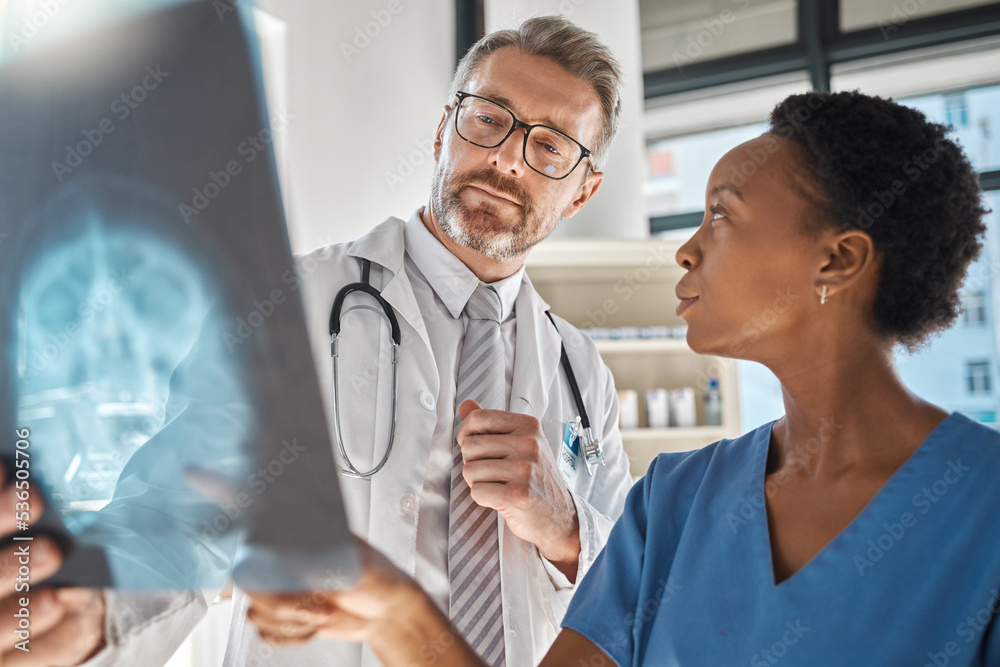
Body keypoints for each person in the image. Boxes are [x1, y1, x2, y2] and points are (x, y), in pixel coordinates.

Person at [0, 14, 634, 667]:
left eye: (550, 145)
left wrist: (567, 528)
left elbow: (636, 583)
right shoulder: (289, 300)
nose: (505, 157)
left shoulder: (582, 372)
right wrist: (101, 607)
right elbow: (185, 503)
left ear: (583, 192)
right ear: (445, 127)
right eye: (488, 118)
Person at [284, 90, 1000, 666]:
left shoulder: (982, 507)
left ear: (837, 260)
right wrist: (396, 610)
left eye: (722, 215)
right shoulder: (676, 502)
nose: (686, 250)